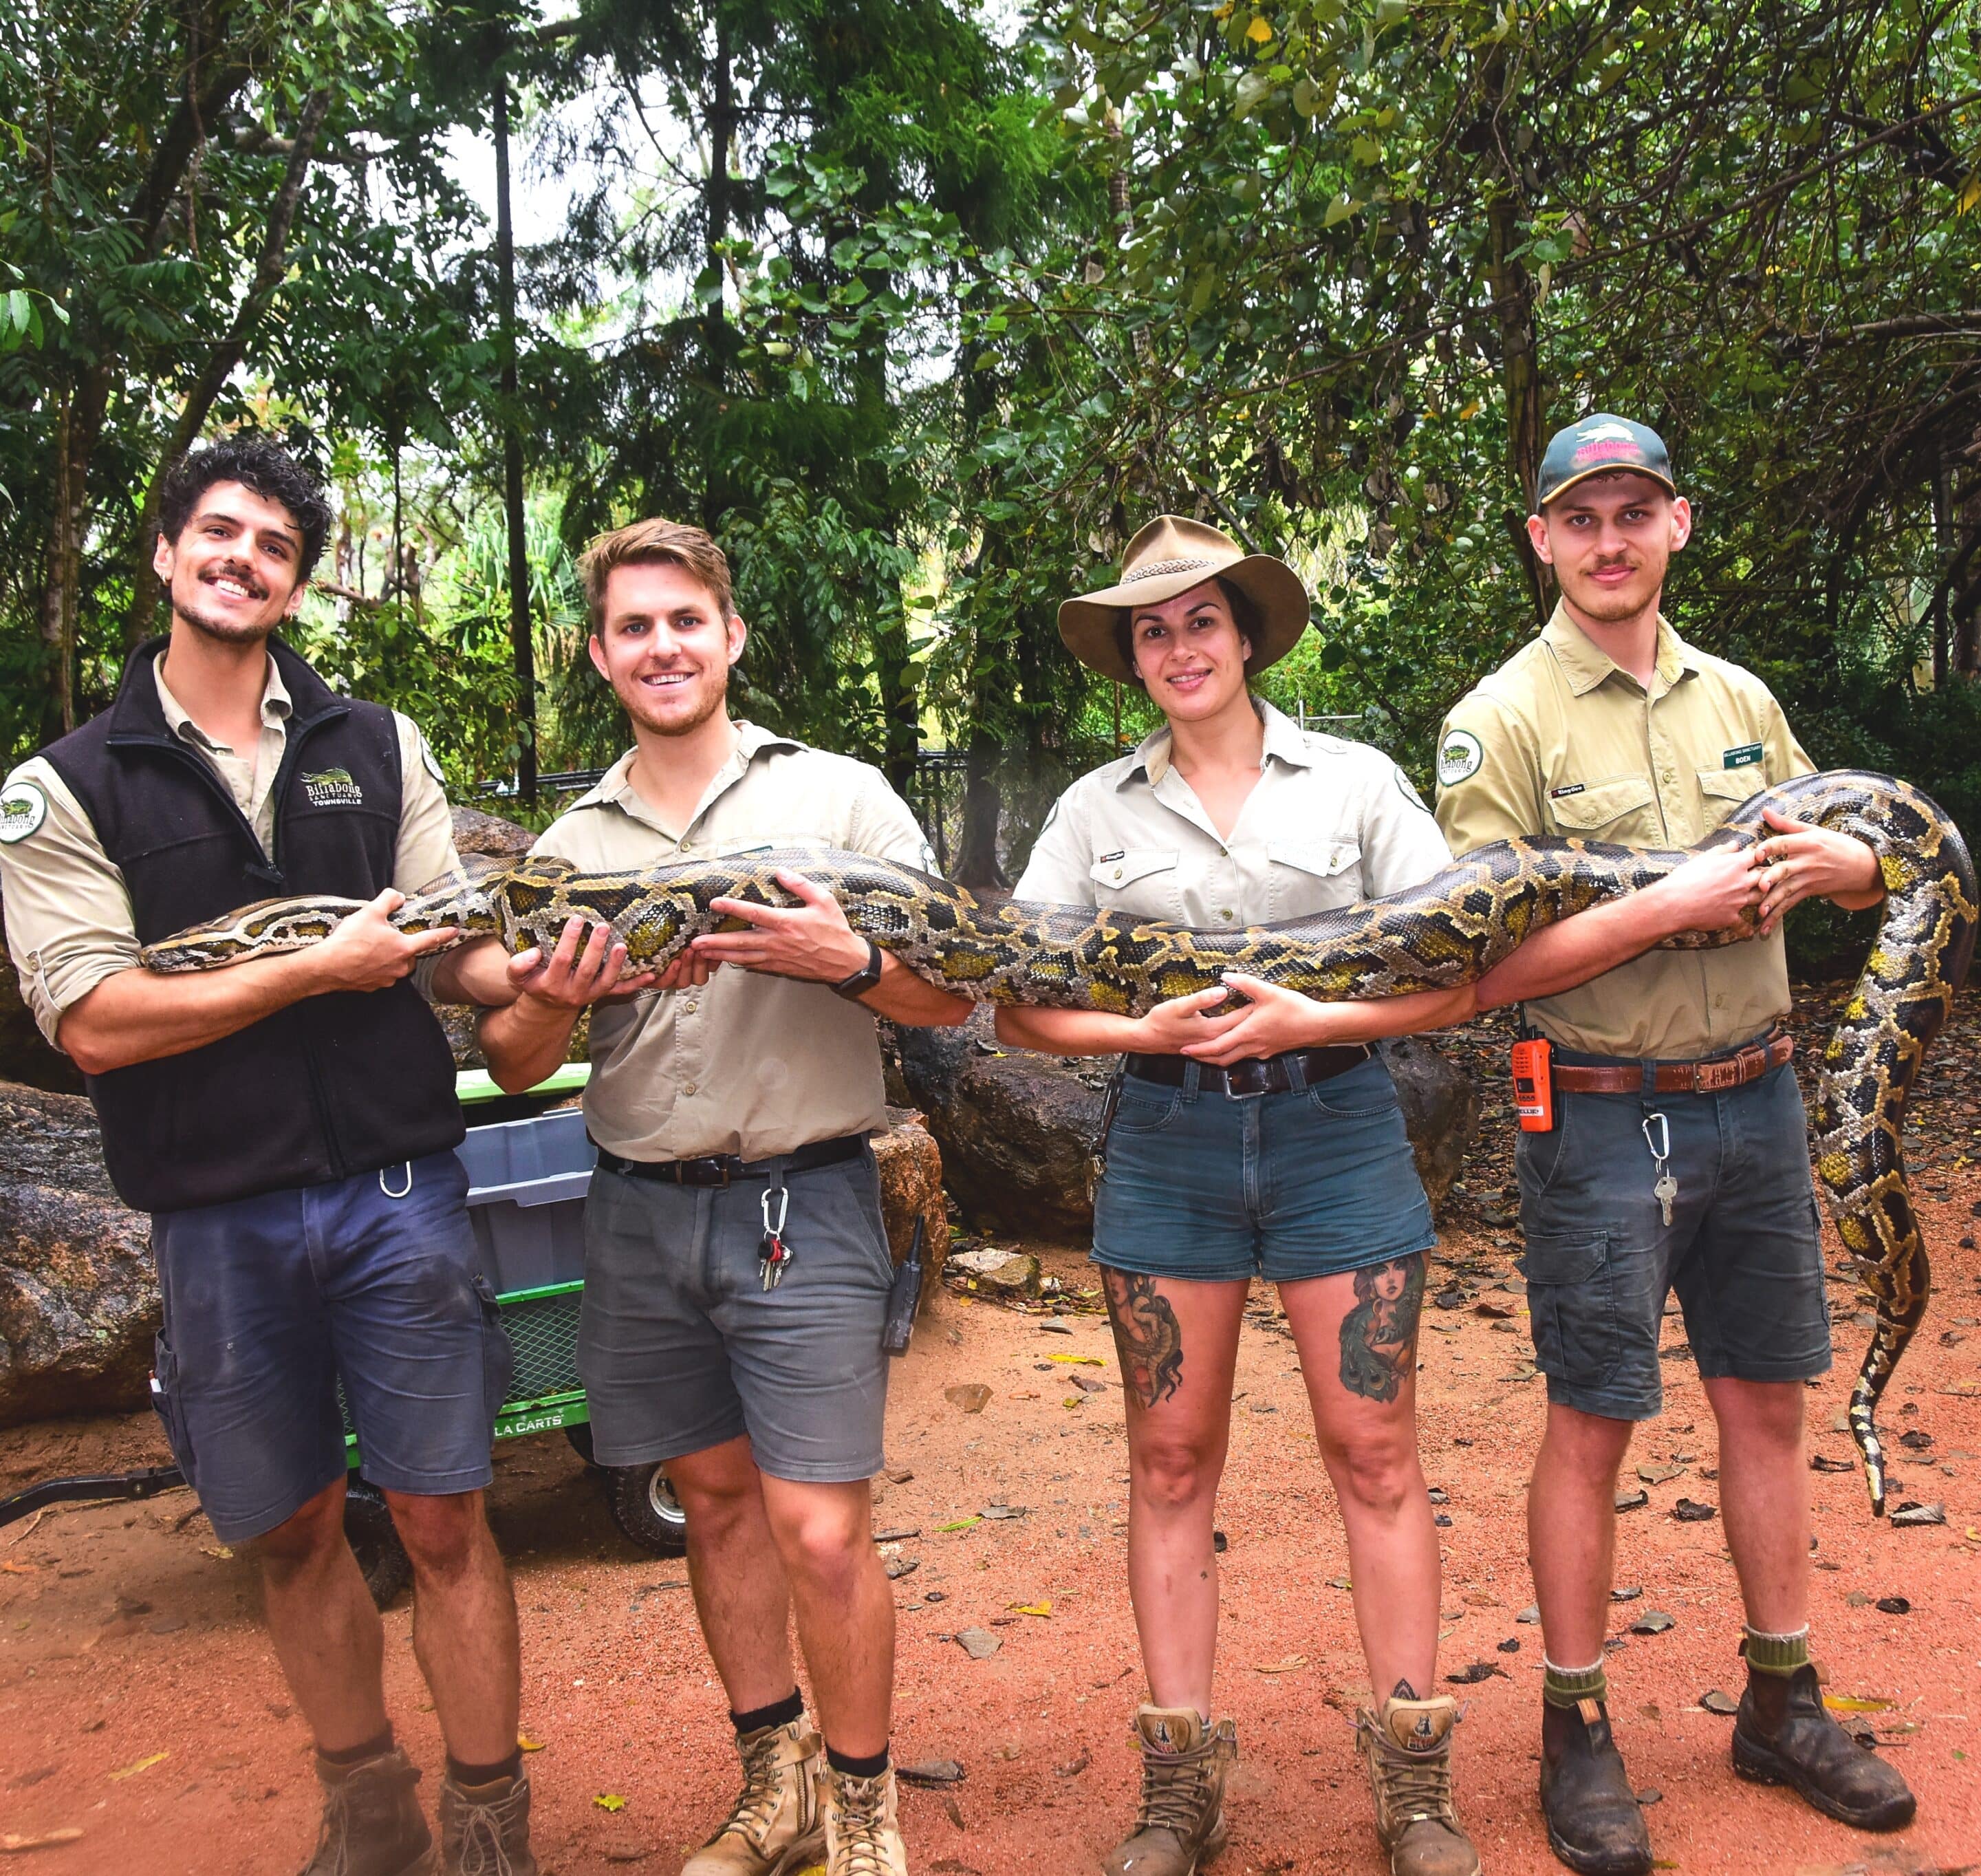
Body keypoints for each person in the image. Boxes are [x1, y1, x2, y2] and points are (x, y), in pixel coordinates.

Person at [0, 437, 539, 1875]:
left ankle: (490, 1815)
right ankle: (370, 1808)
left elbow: (457, 946)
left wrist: (549, 974)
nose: (243, 558)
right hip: (215, 1214)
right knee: (291, 1528)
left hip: (394, 1192)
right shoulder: (67, 786)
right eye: (220, 532)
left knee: (443, 1512)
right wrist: (316, 969)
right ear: (167, 553)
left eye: (274, 546)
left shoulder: (378, 745)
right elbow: (94, 1019)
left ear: (294, 585)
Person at [451, 517, 972, 1876]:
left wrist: (845, 958)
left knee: (821, 1525)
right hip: (636, 1207)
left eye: (686, 619)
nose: (663, 646)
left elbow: (951, 993)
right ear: (600, 654)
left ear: (731, 634)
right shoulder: (569, 844)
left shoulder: (841, 800)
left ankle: (864, 1810)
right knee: (717, 1503)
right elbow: (514, 1059)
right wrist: (555, 1001)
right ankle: (775, 1785)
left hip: (803, 1198)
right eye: (634, 626)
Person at [1434, 415, 1915, 1875]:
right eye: (1581, 518)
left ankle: (1781, 1698)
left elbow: (1844, 852)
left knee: (1766, 1407)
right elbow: (1479, 964)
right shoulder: (1503, 718)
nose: (1610, 541)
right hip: (1598, 1110)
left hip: (1759, 1097)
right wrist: (1671, 904)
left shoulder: (1743, 699)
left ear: (1677, 525)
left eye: (1633, 513)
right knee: (1594, 1421)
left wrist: (1860, 868)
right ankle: (1576, 1723)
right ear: (1541, 539)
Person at [995, 516, 1484, 1876]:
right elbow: (1019, 1011)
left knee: (1374, 1448)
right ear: (1133, 658)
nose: (1179, 647)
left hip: (1338, 1124)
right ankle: (1179, 1788)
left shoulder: (1357, 783)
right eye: (1152, 630)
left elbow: (1458, 977)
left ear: (1248, 634)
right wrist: (1142, 1034)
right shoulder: (1094, 812)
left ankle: (1415, 1783)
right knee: (1168, 1459)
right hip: (1168, 1137)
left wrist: (1318, 1017)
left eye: (1201, 619)